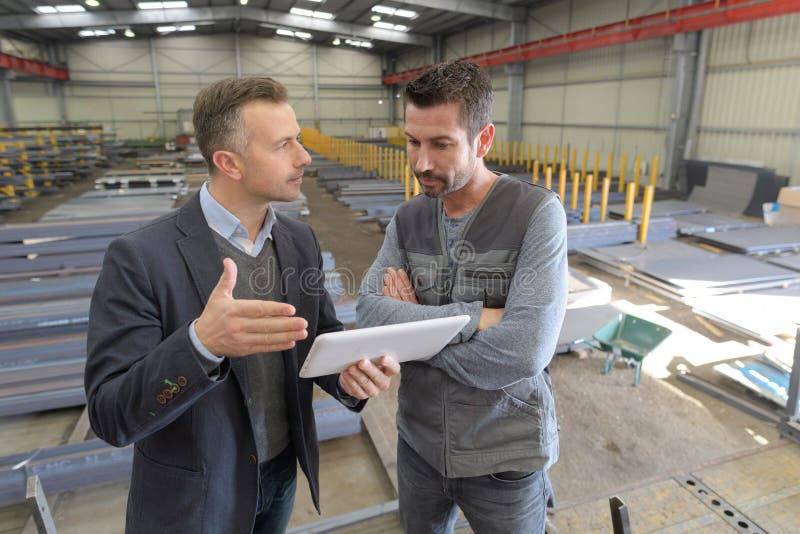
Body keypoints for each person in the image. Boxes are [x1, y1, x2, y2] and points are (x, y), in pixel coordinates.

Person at [85, 76, 399, 534]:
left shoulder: (298, 240)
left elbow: (318, 339)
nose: (304, 157)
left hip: (279, 476)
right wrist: (201, 345)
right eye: (284, 145)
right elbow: (111, 415)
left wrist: (351, 377)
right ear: (229, 162)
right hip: (195, 496)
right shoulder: (140, 258)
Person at [357, 61, 567, 533]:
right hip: (419, 446)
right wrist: (478, 318)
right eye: (413, 141)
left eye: (441, 144)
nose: (421, 162)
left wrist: (413, 324)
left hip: (504, 457)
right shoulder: (408, 220)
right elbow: (369, 313)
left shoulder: (535, 215)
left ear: (483, 139)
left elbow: (524, 350)